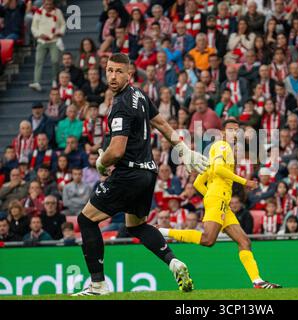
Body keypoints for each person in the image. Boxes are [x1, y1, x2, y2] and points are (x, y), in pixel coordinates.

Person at [73, 53, 208, 296]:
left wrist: (102, 163)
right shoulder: (140, 96)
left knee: (86, 220)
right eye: (109, 71)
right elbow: (163, 125)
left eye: (118, 72)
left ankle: (97, 285)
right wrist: (183, 148)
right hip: (147, 174)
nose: (113, 76)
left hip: (128, 174)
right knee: (136, 226)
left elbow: (116, 151)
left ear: (129, 73)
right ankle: (173, 262)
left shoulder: (121, 105)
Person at [160, 119, 281, 289]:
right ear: (223, 132)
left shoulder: (218, 150)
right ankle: (163, 232)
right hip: (218, 199)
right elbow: (218, 170)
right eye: (230, 130)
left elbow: (198, 183)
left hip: (221, 200)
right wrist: (244, 182)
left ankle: (258, 281)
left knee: (244, 241)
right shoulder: (223, 147)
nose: (234, 133)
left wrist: (210, 195)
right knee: (208, 239)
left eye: (237, 131)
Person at [29, 0, 66, 91]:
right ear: (43, 4)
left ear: (53, 4)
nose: (48, 6)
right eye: (46, 4)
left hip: (54, 40)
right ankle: (36, 82)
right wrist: (39, 34)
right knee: (38, 61)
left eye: (50, 4)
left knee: (55, 60)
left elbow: (63, 25)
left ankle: (55, 80)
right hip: (42, 41)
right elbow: (34, 27)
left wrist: (59, 33)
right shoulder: (38, 13)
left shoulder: (58, 12)